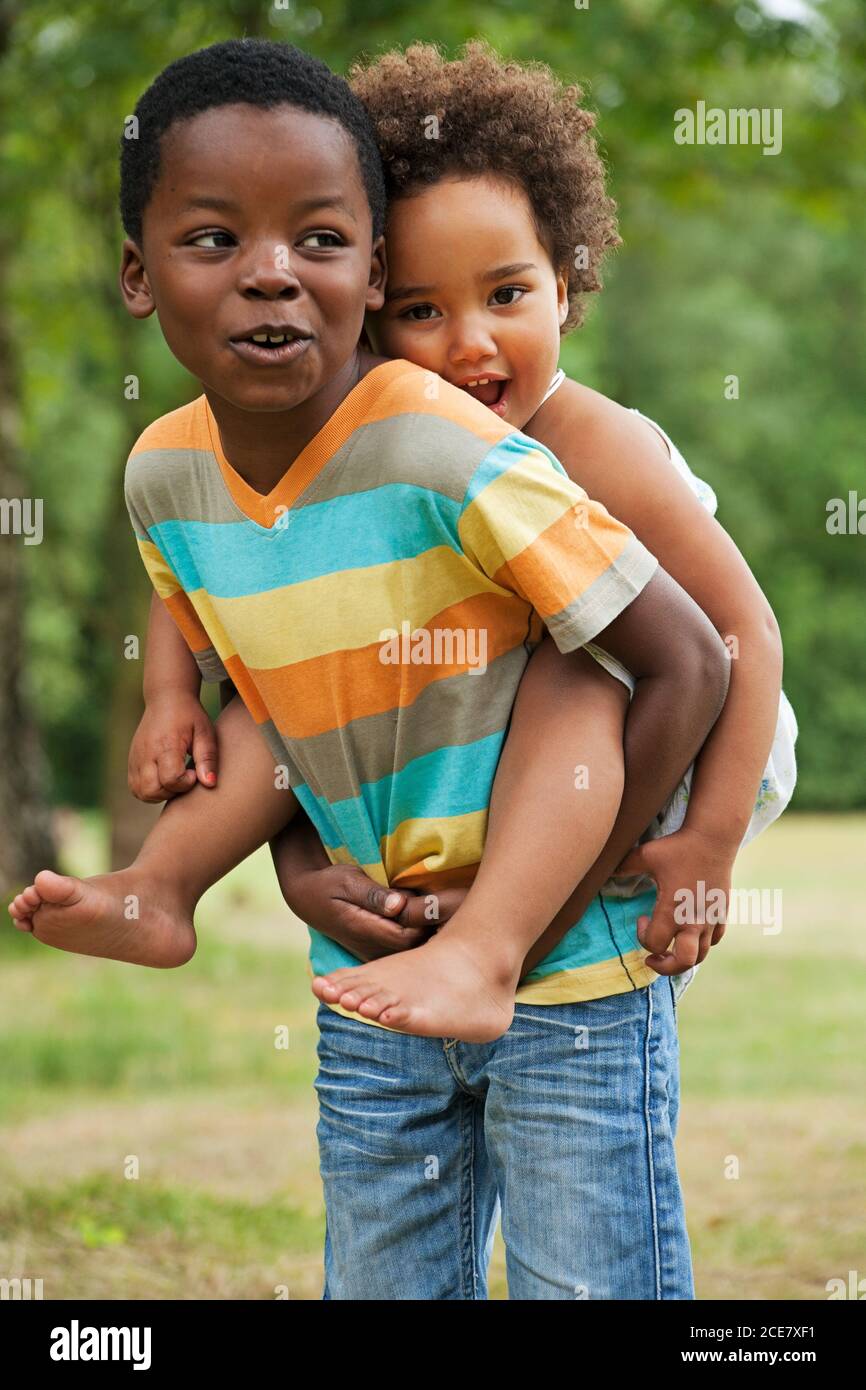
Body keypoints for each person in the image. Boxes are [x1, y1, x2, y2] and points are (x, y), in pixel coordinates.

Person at [8, 38, 735, 1298]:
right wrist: (275, 844)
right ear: (137, 273)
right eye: (212, 240)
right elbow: (279, 700)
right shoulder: (164, 476)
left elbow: (688, 654)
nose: (270, 276)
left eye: (320, 242)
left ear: (367, 268)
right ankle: (159, 891)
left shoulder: (445, 444)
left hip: (567, 977)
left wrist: (516, 934)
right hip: (375, 975)